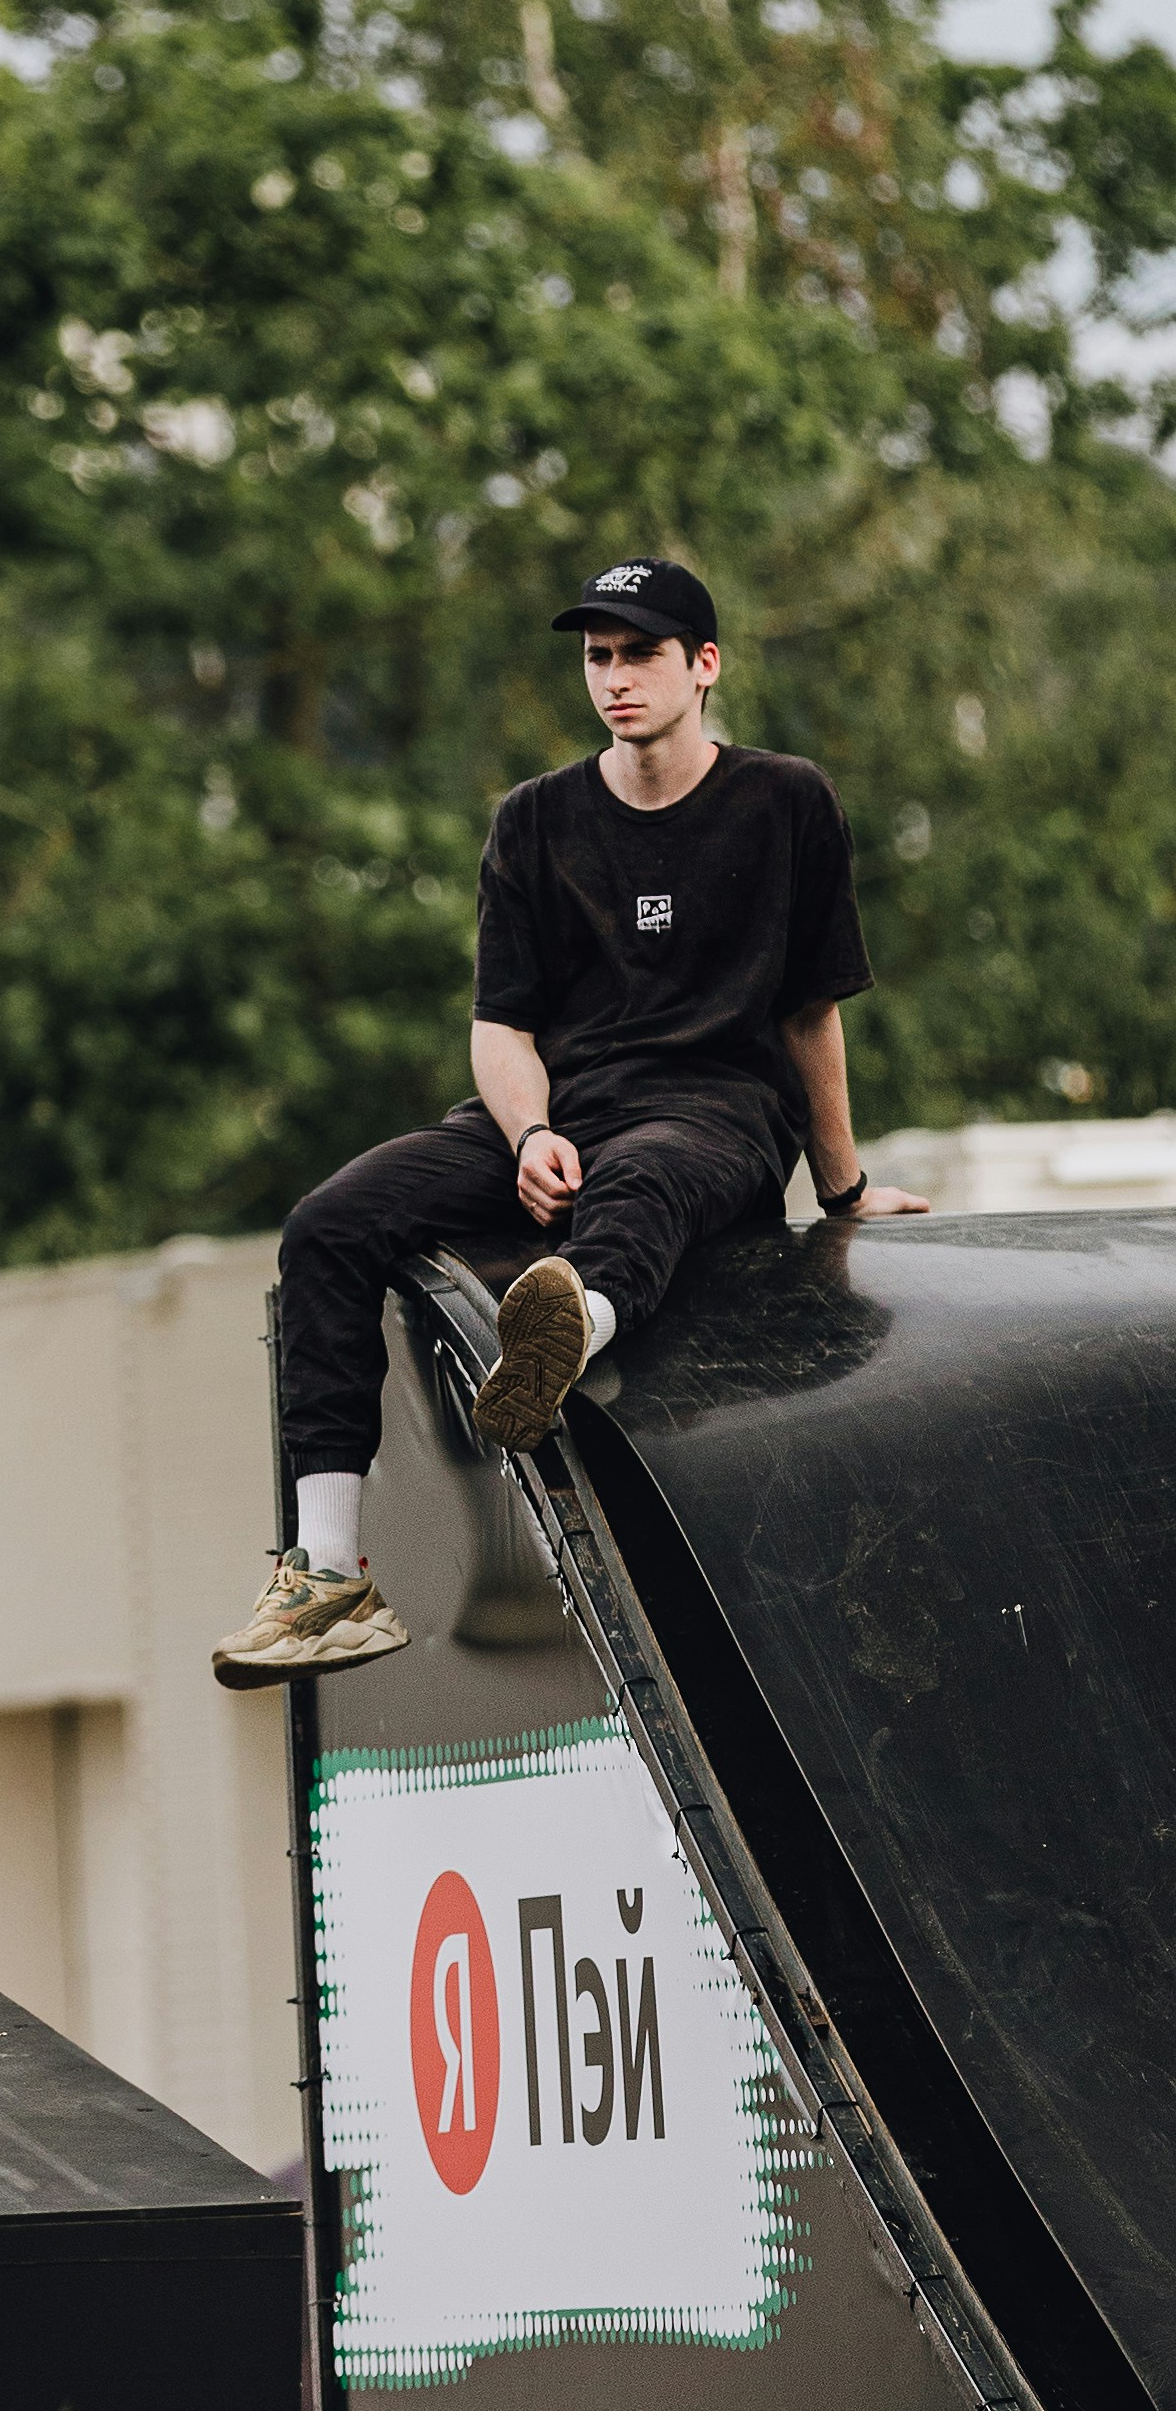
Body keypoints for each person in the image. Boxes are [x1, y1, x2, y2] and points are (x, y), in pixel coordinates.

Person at [213, 554, 930, 1686]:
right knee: (330, 1223)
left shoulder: (784, 801)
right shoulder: (535, 820)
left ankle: (567, 1326)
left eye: (639, 653)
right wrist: (528, 1134)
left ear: (704, 664)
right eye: (597, 657)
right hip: (558, 1109)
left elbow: (807, 1014)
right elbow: (500, 1028)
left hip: (716, 1113)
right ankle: (329, 1579)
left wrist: (842, 1191)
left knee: (641, 1178)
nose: (614, 678)